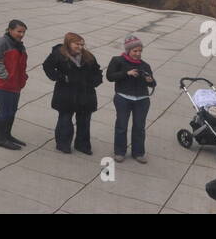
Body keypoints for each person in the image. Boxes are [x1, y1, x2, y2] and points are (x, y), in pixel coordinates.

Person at [42, 31, 102, 154]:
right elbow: (47, 66)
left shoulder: (88, 56)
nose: (80, 47)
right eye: (77, 44)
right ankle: (63, 144)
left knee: (84, 121)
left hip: (85, 94)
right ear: (69, 43)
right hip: (66, 93)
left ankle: (82, 145)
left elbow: (97, 71)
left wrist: (94, 82)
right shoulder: (58, 54)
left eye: (82, 44)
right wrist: (61, 77)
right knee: (65, 119)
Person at [106, 34, 156, 163]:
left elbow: (152, 83)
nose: (138, 54)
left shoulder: (144, 65)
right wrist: (126, 73)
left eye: (140, 51)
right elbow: (110, 76)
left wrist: (150, 80)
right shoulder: (117, 60)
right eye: (135, 51)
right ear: (128, 50)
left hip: (142, 99)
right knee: (121, 125)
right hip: (123, 97)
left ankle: (138, 153)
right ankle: (120, 152)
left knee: (139, 127)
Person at [0, 19, 29, 150]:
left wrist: (22, 78)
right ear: (10, 30)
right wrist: (6, 77)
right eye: (19, 31)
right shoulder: (1, 42)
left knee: (12, 111)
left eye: (23, 32)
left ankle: (7, 135)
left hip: (15, 84)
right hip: (2, 85)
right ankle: (0, 138)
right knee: (5, 112)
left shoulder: (18, 44)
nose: (21, 34)